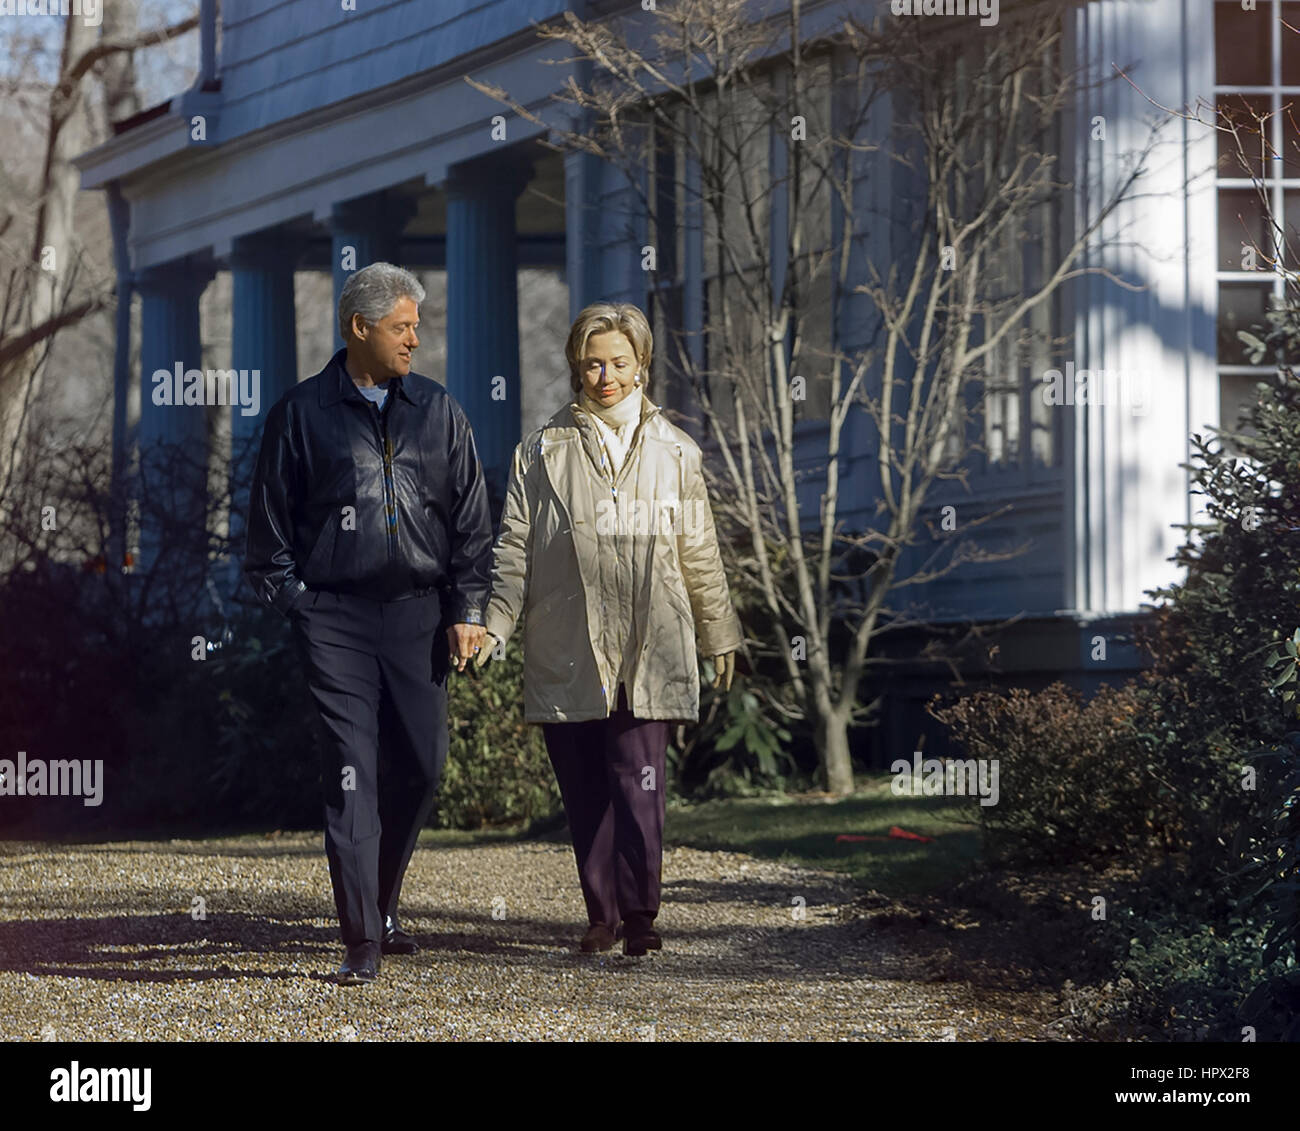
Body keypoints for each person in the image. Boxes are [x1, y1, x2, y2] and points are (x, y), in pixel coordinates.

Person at [243, 262, 492, 985]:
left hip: (420, 616)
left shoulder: (439, 411)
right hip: (336, 619)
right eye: (402, 327)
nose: (416, 338)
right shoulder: (300, 415)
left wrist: (467, 609)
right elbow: (267, 539)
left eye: (417, 325)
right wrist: (304, 606)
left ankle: (379, 903)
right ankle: (361, 941)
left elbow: (473, 523)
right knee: (353, 773)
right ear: (360, 328)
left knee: (424, 763)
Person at [477, 301, 744, 956]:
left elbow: (700, 550)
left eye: (618, 362)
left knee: (637, 777)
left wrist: (720, 631)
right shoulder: (540, 453)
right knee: (585, 788)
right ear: (576, 365)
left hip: (649, 644)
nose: (605, 375)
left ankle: (641, 917)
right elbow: (513, 550)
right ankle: (601, 916)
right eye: (593, 363)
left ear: (640, 365)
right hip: (567, 644)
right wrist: (495, 625)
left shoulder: (676, 452)